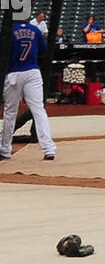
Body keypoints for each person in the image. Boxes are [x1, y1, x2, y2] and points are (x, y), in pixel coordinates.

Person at [1, 19, 57, 160]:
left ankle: (5, 149)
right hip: (32, 71)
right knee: (38, 110)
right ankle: (49, 148)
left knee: (10, 112)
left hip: (13, 72)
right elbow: (44, 50)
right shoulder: (35, 29)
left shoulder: (8, 31)